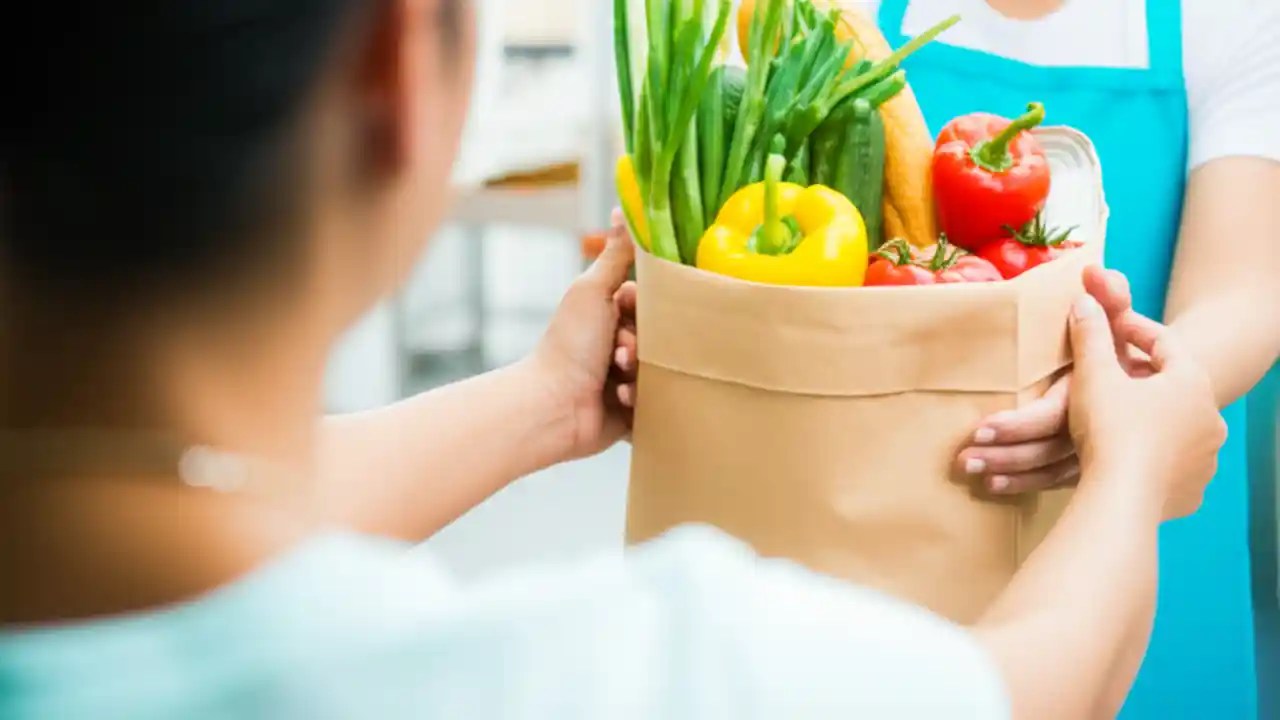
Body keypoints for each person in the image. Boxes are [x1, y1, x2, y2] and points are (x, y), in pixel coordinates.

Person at [0, 1, 1233, 718]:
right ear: (393, 76)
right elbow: (1022, 689)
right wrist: (1128, 477)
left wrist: (542, 405)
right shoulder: (646, 673)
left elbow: (179, 506)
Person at [842, 1, 1280, 715]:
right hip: (890, 525)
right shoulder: (850, 12)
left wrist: (1129, 412)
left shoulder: (1229, 16)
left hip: (1151, 529)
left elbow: (1247, 288)